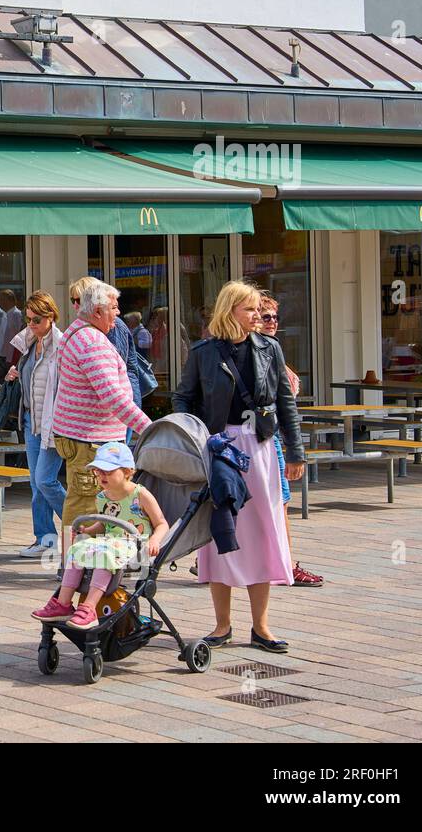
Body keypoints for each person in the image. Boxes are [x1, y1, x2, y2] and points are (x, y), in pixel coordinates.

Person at [174, 280, 305, 654]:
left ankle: (261, 626)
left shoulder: (270, 349)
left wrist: (295, 453)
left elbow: (285, 403)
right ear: (230, 310)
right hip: (221, 448)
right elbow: (183, 397)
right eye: (250, 309)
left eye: (259, 310)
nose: (258, 316)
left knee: (262, 531)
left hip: (261, 449)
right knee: (221, 532)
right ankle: (222, 625)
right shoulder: (203, 353)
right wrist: (195, 440)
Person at [51, 278, 152, 554]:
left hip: (84, 436)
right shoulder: (91, 341)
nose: (118, 313)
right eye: (113, 307)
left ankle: (76, 564)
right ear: (97, 311)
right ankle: (74, 565)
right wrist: (149, 428)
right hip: (90, 440)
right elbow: (113, 396)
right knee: (85, 505)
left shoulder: (79, 332)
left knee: (83, 502)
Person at [31, 442, 169, 630]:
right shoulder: (103, 496)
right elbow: (105, 523)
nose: (102, 475)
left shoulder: (140, 494)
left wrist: (155, 540)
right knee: (77, 549)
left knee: (104, 554)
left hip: (135, 545)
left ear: (127, 471)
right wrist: (87, 531)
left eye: (108, 471)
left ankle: (89, 608)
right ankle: (62, 603)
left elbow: (161, 523)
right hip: (110, 542)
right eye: (98, 471)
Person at [258, 293, 324, 587]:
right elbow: (280, 404)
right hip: (262, 436)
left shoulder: (270, 351)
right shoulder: (261, 353)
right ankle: (285, 564)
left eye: (274, 317)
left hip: (268, 436)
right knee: (278, 501)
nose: (272, 322)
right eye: (264, 316)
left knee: (268, 502)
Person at [6, 291, 66, 559]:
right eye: (28, 319)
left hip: (52, 422)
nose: (31, 324)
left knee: (45, 480)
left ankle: (84, 527)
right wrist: (15, 374)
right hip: (31, 419)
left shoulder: (61, 346)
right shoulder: (29, 343)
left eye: (37, 319)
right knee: (35, 482)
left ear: (51, 317)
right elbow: (31, 378)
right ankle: (46, 538)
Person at [70, 277, 146, 411]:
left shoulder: (112, 325)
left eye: (79, 300)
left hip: (120, 408)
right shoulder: (84, 327)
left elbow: (113, 375)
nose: (75, 306)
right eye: (73, 300)